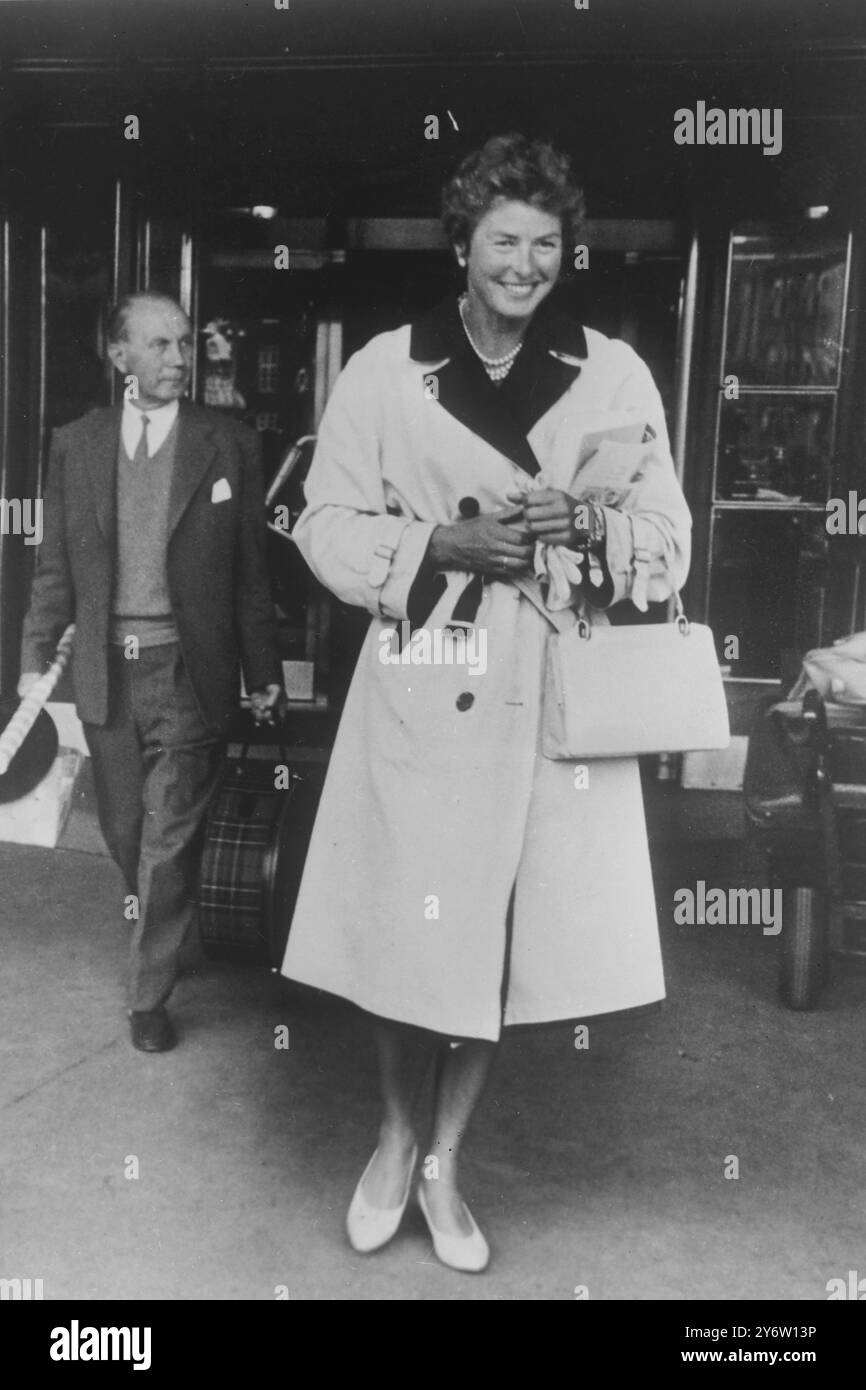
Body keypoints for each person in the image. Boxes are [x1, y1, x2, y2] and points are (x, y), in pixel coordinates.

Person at [282, 133, 692, 1272]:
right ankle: (392, 1132)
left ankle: (444, 1161)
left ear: (568, 252)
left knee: (499, 945)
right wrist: (435, 541)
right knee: (408, 933)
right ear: (460, 245)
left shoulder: (609, 371)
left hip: (545, 690)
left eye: (544, 244)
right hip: (424, 675)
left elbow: (668, 536)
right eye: (500, 241)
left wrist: (594, 526)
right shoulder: (381, 367)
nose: (522, 264)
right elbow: (320, 522)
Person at [19, 292, 285, 1053]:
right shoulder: (76, 443)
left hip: (189, 668)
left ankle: (148, 996)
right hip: (109, 670)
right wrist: (33, 664)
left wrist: (264, 670)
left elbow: (248, 575)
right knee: (127, 829)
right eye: (161, 345)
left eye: (184, 344)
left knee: (169, 834)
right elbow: (54, 567)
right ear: (119, 357)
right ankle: (160, 924)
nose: (179, 359)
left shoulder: (226, 442)